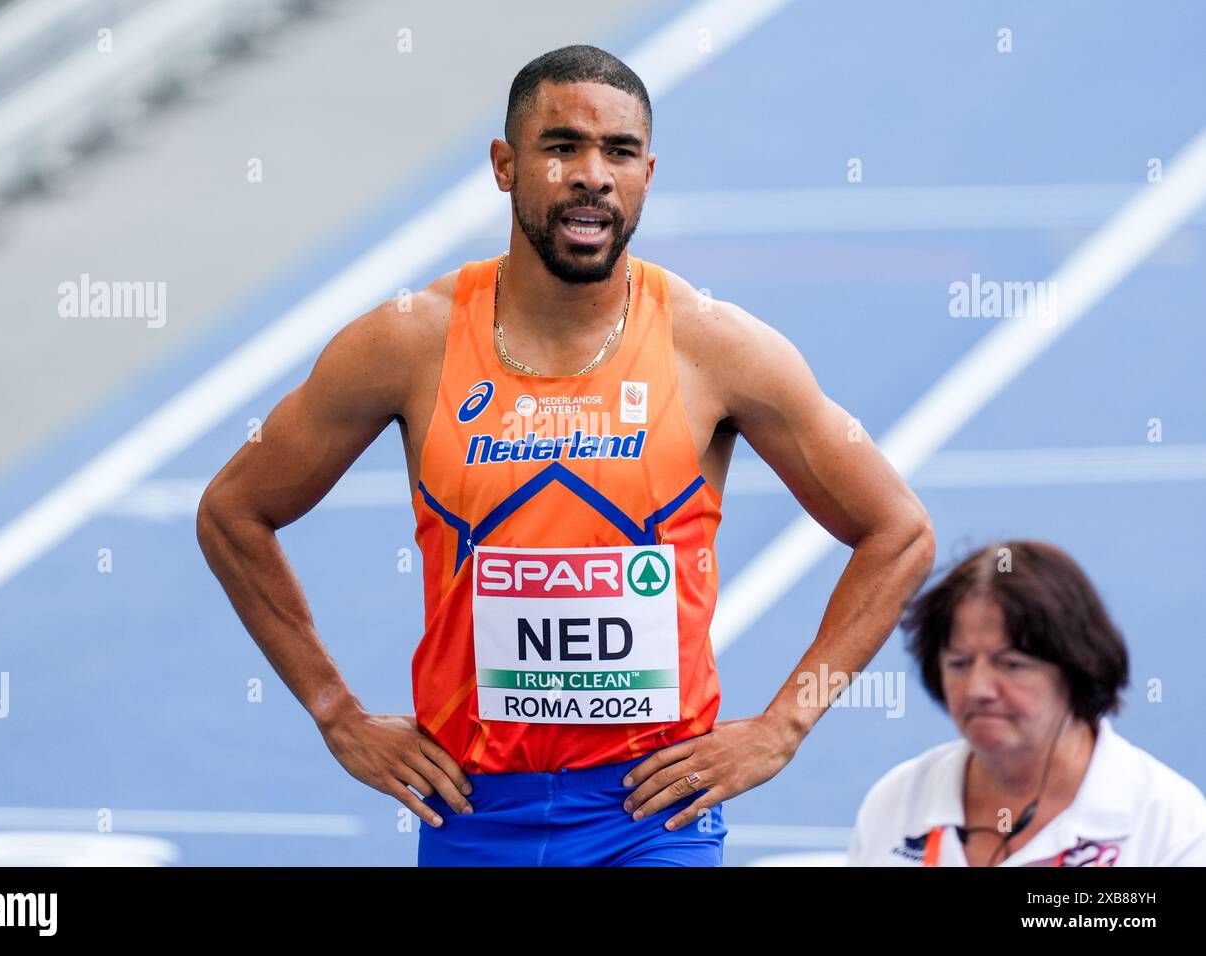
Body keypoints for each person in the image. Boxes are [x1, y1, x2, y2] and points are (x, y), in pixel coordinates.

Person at [196, 44, 935, 867]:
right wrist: (334, 708)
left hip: (651, 813)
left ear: (648, 173)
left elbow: (898, 532)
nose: (593, 174)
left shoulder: (716, 349)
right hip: (471, 811)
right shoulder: (409, 343)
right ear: (505, 165)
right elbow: (233, 511)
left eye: (619, 152)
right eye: (562, 147)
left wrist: (783, 727)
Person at [847, 540, 1206, 867]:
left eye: (1012, 665)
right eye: (959, 663)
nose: (978, 689)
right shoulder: (897, 800)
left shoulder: (1171, 825)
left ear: (1078, 669)